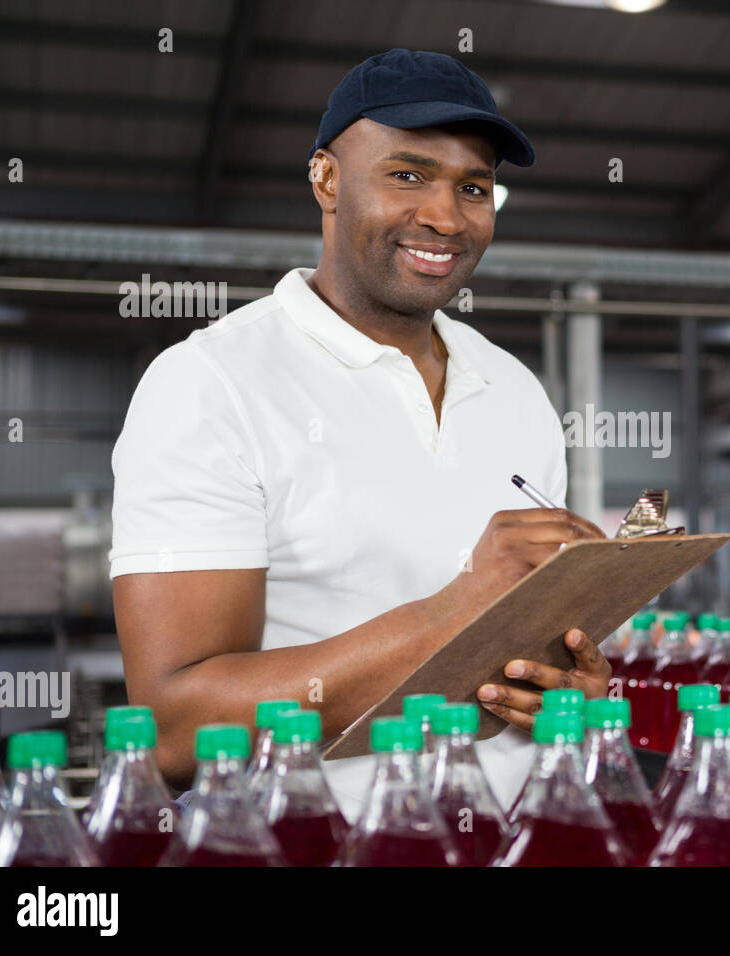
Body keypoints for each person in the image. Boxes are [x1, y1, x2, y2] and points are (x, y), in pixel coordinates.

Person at [109, 49, 609, 820]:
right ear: (327, 180)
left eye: (474, 187)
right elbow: (177, 730)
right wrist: (458, 607)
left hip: (511, 836)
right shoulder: (212, 384)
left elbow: (520, 655)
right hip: (313, 843)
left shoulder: (514, 389)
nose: (446, 217)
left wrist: (565, 686)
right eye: (407, 175)